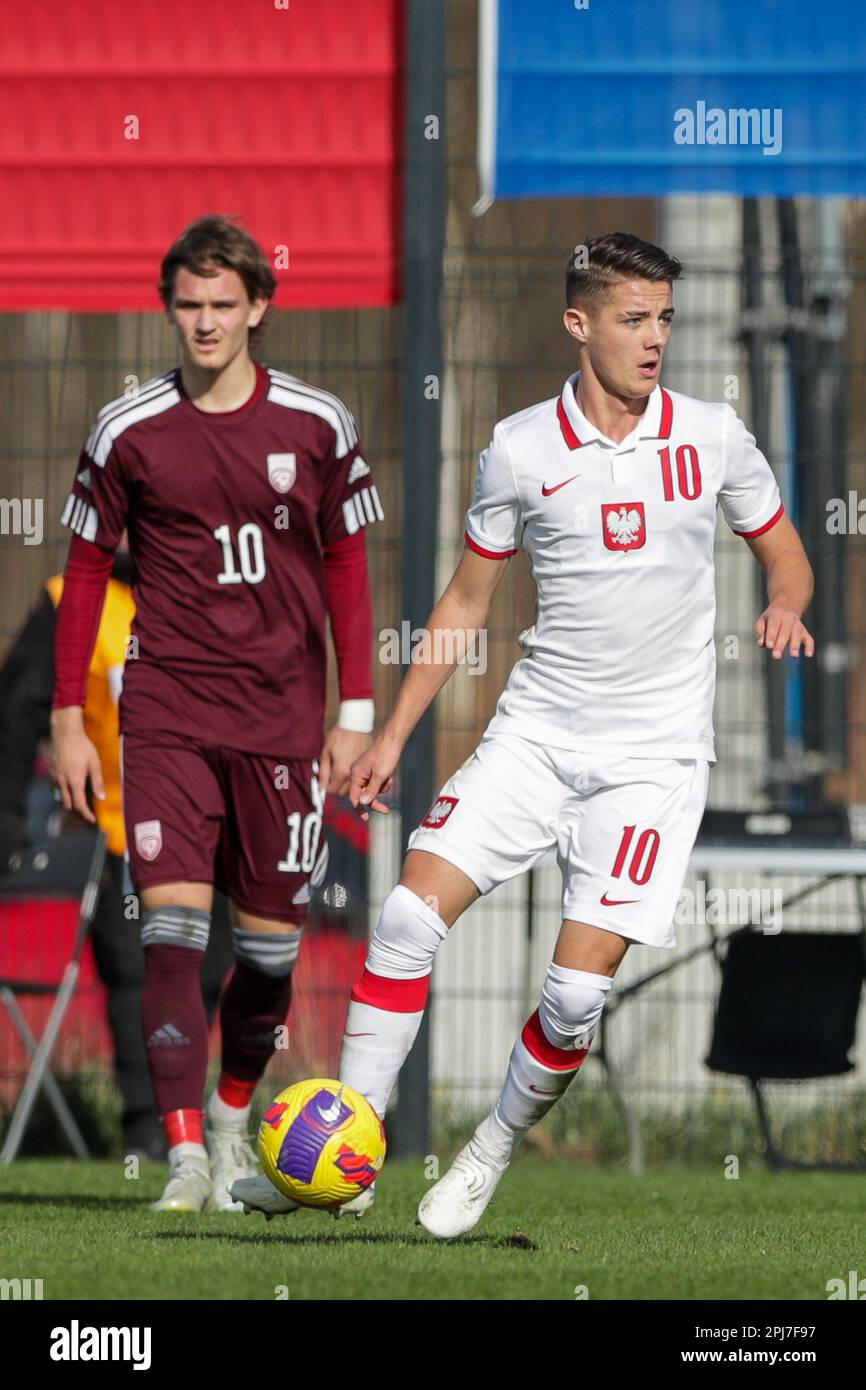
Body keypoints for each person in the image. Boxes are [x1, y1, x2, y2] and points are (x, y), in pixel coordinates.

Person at [231, 230, 815, 1234]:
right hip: (536, 735)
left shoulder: (713, 433)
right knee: (409, 916)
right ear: (577, 324)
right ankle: (353, 1150)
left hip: (650, 763)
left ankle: (490, 1145)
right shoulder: (516, 447)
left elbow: (786, 554)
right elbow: (462, 606)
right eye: (633, 320)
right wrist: (389, 739)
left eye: (664, 319)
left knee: (571, 998)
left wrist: (785, 603)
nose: (654, 340)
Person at [50, 214, 381, 1211]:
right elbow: (83, 564)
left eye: (221, 305)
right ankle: (186, 1156)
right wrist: (70, 716)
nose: (202, 322)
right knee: (171, 935)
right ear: (169, 309)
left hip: (282, 721)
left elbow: (348, 560)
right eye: (186, 305)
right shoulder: (127, 430)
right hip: (166, 714)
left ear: (258, 308)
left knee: (269, 957)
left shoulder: (316, 425)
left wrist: (354, 708)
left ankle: (237, 1117)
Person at [0, 544, 235, 1160]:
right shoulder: (71, 602)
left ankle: (204, 1120)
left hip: (213, 825)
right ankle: (148, 1136)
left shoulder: (218, 592)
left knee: (211, 968)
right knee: (138, 972)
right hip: (120, 831)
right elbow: (16, 712)